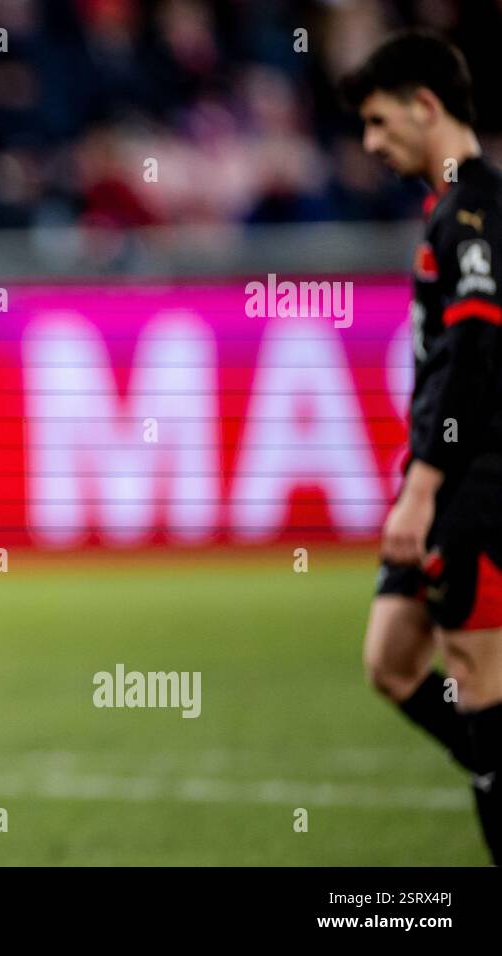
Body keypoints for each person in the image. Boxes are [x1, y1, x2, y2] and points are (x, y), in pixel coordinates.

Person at [343, 30, 502, 860]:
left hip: (475, 475)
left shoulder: (476, 207)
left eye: (378, 122)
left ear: (425, 105)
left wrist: (426, 481)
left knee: (477, 678)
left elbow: (476, 354)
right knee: (392, 659)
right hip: (446, 473)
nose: (371, 144)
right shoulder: (446, 208)